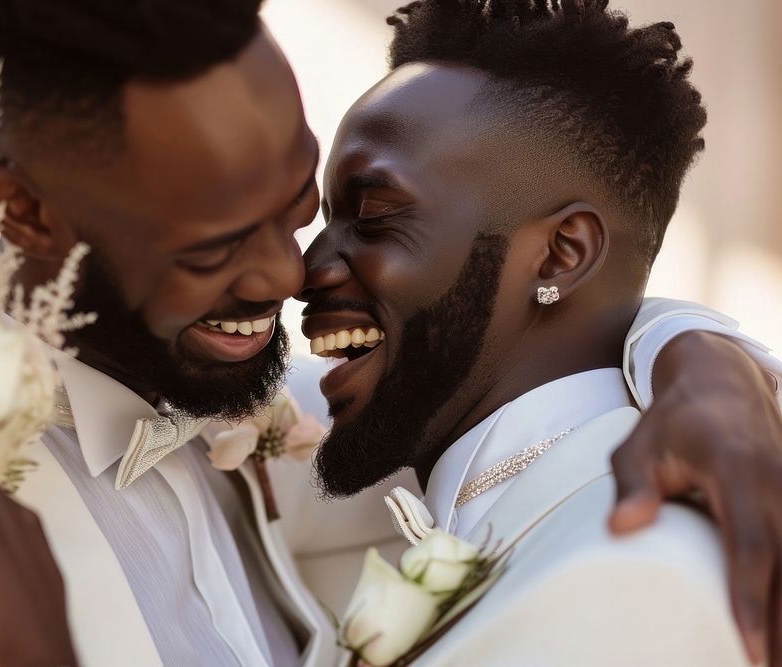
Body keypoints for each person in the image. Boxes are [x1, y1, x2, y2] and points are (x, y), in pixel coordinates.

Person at [0, 0, 780, 665]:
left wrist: (698, 359)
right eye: (212, 246)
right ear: (28, 214)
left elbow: (515, 344)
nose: (287, 273)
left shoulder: (261, 422)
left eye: (300, 206)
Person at [299, 1, 782, 664]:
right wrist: (689, 343)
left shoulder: (636, 578)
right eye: (328, 218)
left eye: (375, 218)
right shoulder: (486, 486)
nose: (306, 270)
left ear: (561, 255)